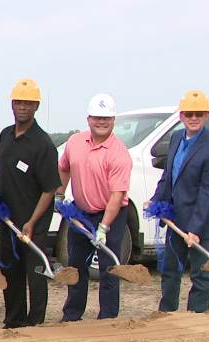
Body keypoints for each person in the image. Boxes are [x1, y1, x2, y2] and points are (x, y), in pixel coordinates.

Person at [0, 78, 60, 328]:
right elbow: (1, 172)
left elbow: (50, 189)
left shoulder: (43, 144)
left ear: (36, 106)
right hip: (9, 218)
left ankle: (36, 323)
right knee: (12, 272)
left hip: (33, 224)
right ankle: (14, 320)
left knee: (35, 274)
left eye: (28, 103)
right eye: (18, 102)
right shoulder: (6, 136)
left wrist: (31, 222)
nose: (22, 107)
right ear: (12, 104)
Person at [147, 90, 209, 313]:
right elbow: (168, 177)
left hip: (204, 224)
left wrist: (195, 230)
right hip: (176, 220)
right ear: (181, 115)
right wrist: (156, 200)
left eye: (198, 114)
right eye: (189, 113)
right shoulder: (175, 139)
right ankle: (166, 315)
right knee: (170, 271)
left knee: (201, 275)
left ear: (205, 116)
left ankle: (196, 321)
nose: (194, 118)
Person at [57, 94, 133, 321]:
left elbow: (117, 195)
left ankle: (108, 318)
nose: (102, 122)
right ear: (88, 119)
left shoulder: (119, 154)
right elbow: (64, 167)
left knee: (109, 267)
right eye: (97, 118)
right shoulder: (75, 142)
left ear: (113, 120)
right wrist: (59, 194)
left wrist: (104, 228)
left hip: (111, 213)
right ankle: (72, 314)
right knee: (76, 265)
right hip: (81, 212)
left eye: (107, 118)